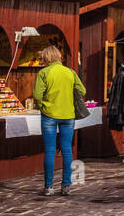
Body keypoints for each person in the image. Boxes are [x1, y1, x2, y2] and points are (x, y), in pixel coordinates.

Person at [33, 45, 86, 196]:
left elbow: (37, 96)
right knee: (67, 150)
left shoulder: (44, 73)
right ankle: (66, 186)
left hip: (49, 115)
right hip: (68, 115)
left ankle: (49, 187)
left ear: (46, 58)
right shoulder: (70, 72)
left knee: (50, 150)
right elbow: (82, 90)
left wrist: (43, 106)